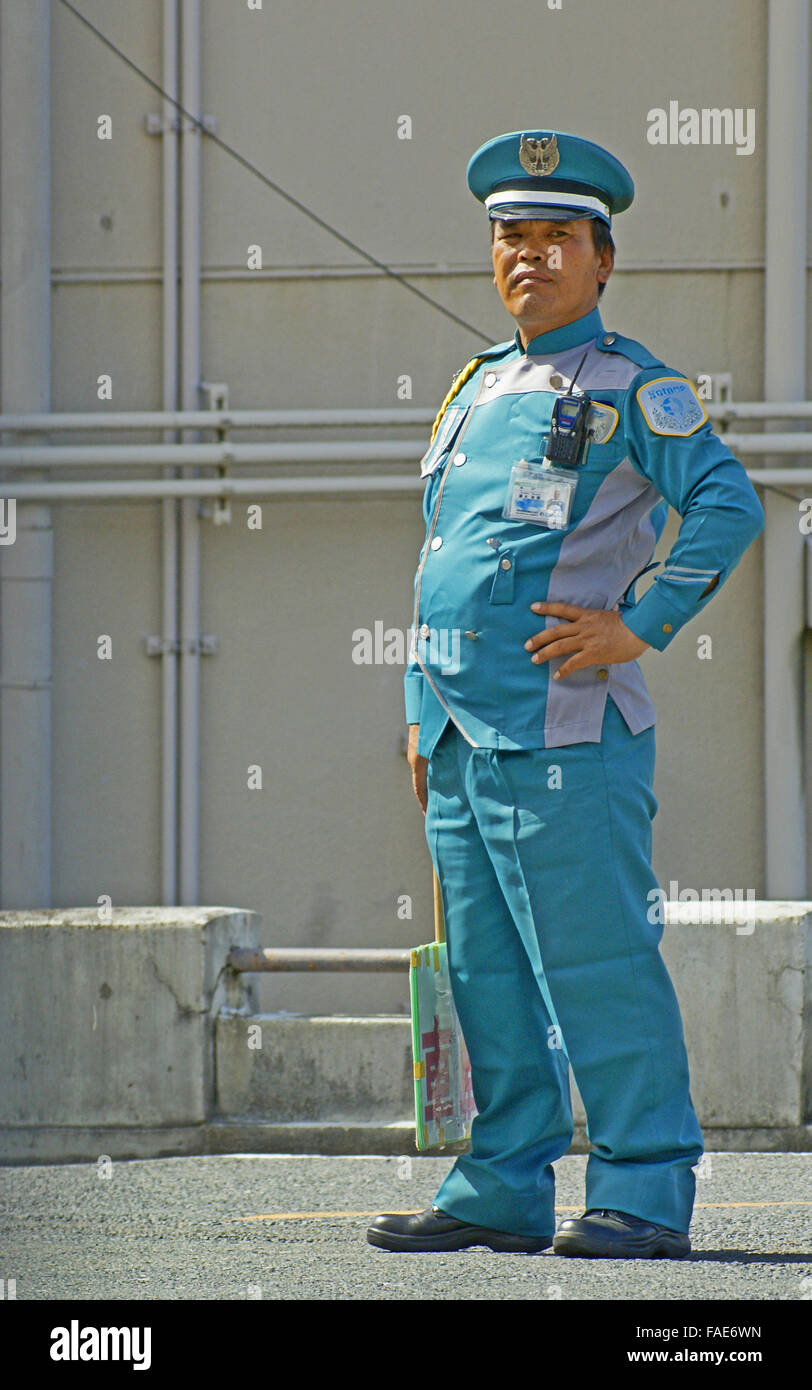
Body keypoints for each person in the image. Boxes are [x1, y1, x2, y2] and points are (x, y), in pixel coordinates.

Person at [366, 130, 764, 1259]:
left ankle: (641, 1189)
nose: (527, 257)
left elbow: (728, 506)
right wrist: (412, 702)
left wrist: (633, 625)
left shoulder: (637, 387)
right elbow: (441, 550)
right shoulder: (475, 383)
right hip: (455, 733)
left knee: (593, 963)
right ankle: (500, 1182)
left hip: (566, 730)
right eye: (510, 238)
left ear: (602, 261)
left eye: (554, 238)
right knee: (485, 971)